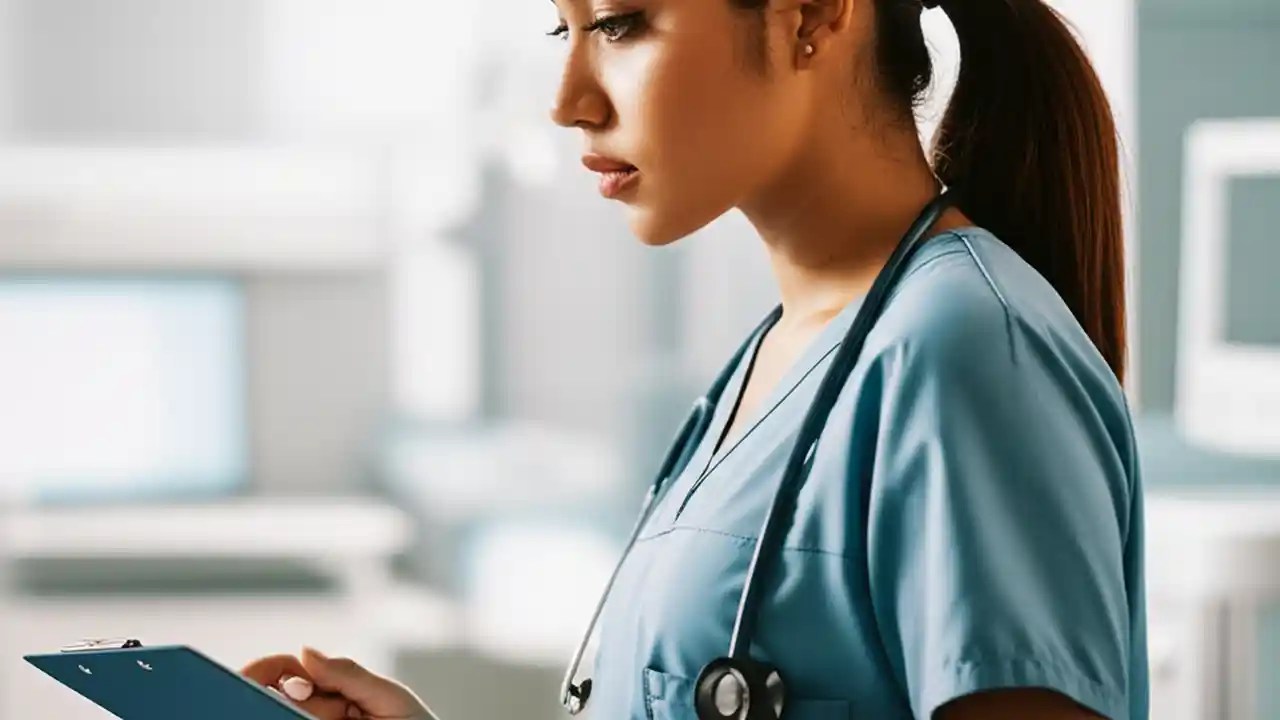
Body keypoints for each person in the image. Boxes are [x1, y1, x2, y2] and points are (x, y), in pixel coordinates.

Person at [242, 0, 1148, 717]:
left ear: (814, 15)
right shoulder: (777, 356)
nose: (566, 99)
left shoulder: (964, 350)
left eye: (619, 24)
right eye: (566, 28)